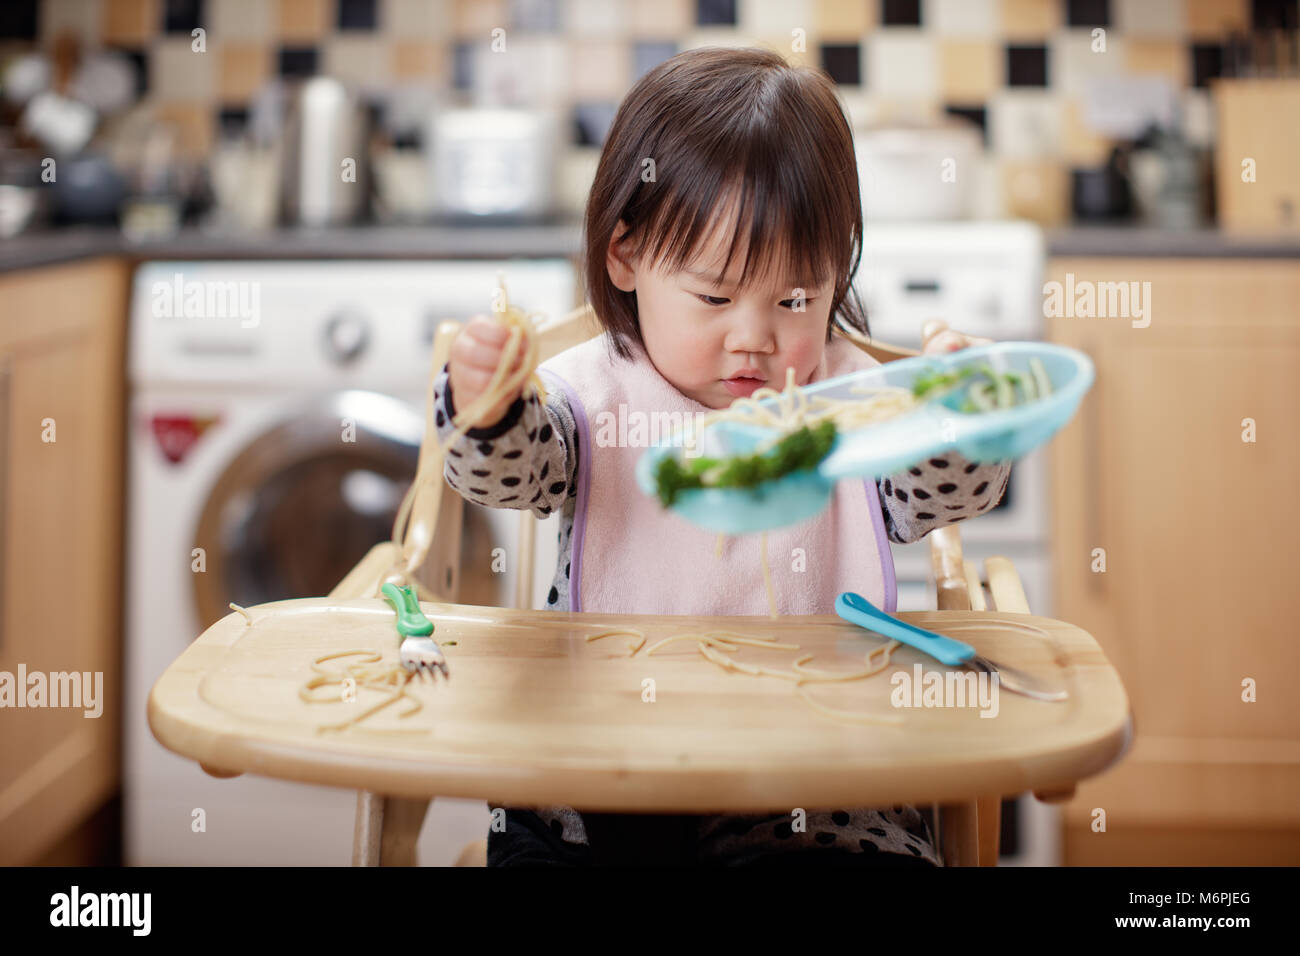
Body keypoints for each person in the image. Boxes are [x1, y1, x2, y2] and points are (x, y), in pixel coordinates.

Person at [434, 47, 1008, 867]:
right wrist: (490, 409)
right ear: (625, 254)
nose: (754, 338)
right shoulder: (593, 396)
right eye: (714, 296)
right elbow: (510, 468)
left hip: (815, 788)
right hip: (596, 782)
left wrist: (963, 422)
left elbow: (937, 492)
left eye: (794, 299)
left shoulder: (847, 403)